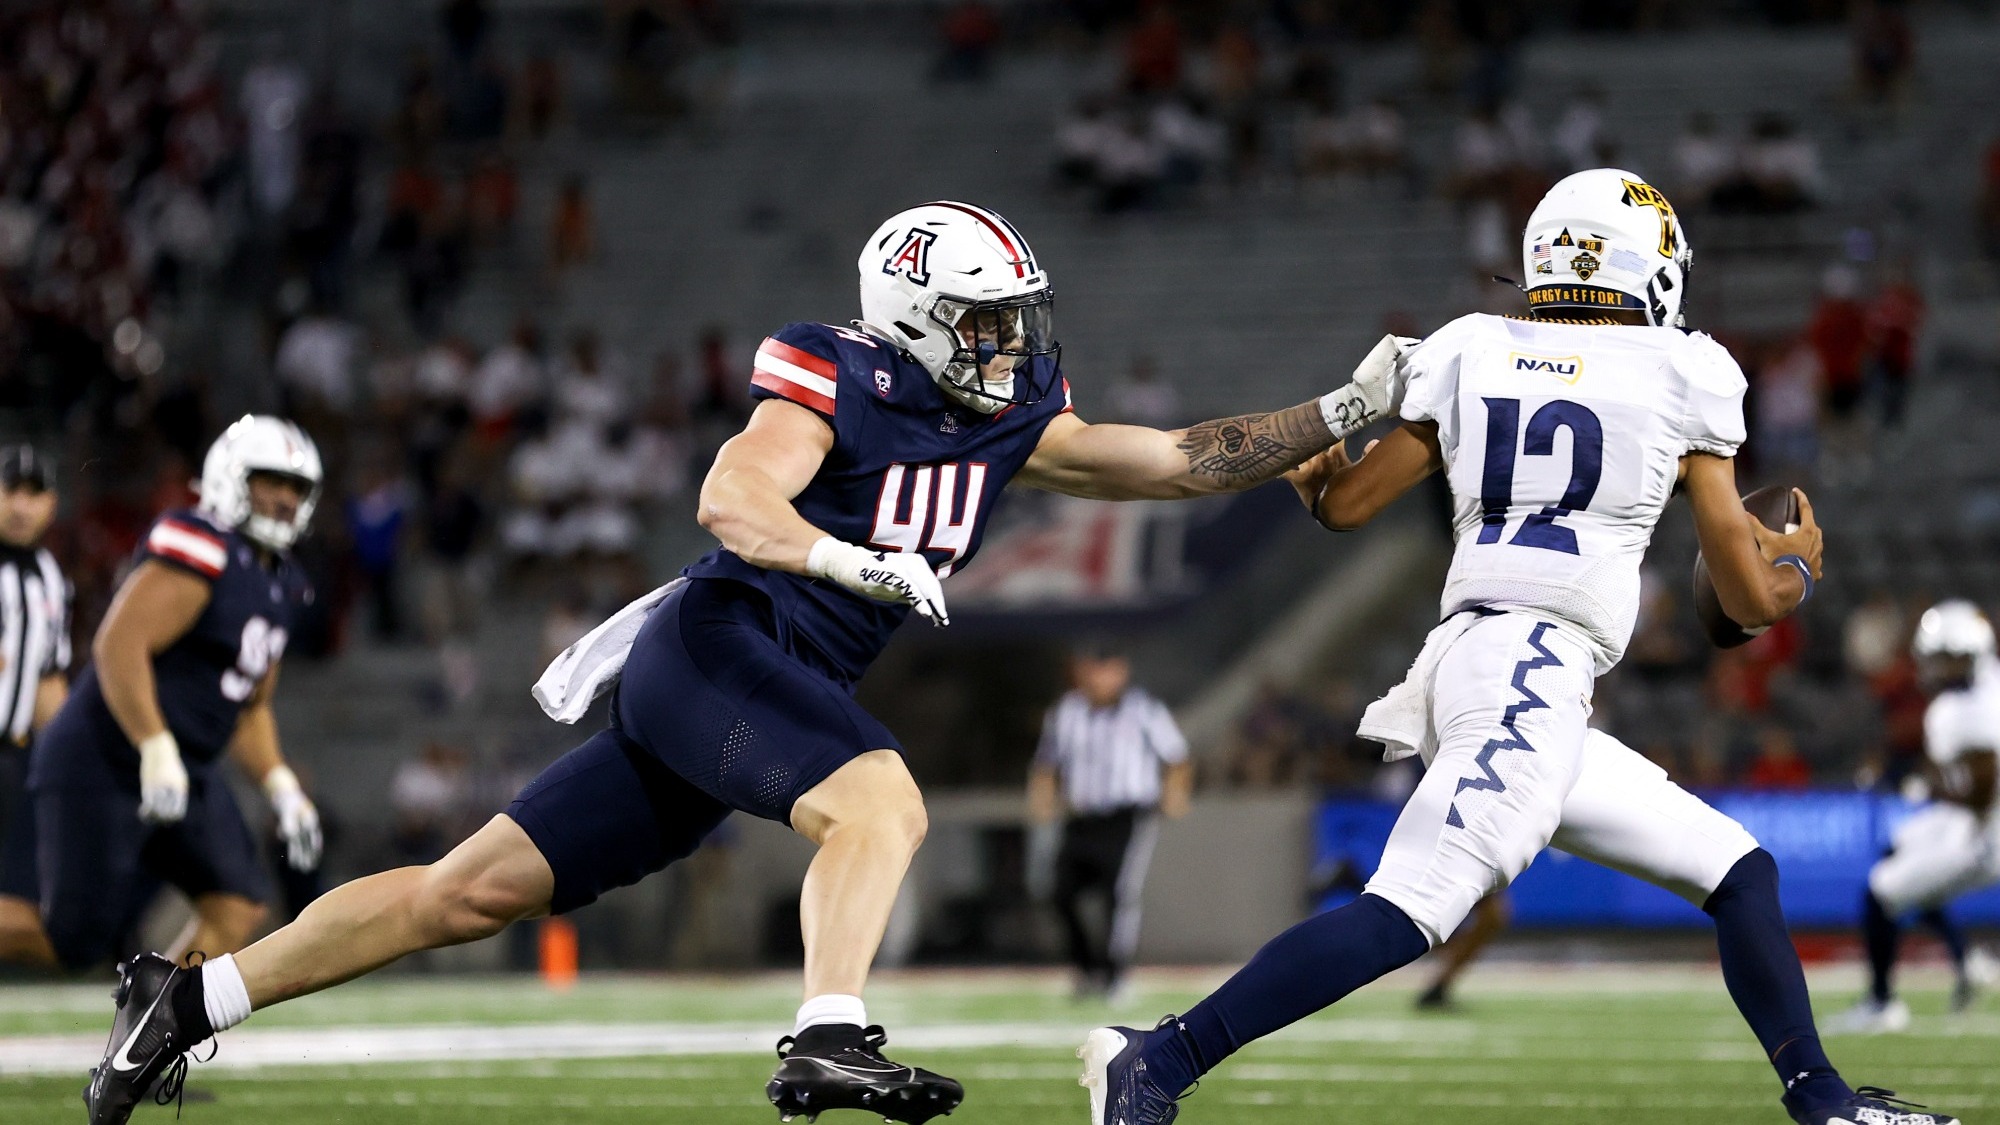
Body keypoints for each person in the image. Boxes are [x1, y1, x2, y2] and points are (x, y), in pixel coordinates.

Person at [85, 200, 1414, 1125]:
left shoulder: (1012, 416)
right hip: (723, 645)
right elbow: (732, 501)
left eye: (1017, 317)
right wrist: (841, 562)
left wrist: (1343, 411)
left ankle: (188, 998)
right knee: (881, 802)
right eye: (989, 319)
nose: (1014, 343)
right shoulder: (835, 374)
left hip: (759, 684)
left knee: (462, 892)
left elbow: (1179, 458)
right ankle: (827, 1030)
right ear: (919, 317)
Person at [1080, 169, 1962, 1125]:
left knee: (1737, 868)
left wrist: (1315, 479)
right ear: (1648, 267)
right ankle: (1158, 1059)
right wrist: (1797, 570)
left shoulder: (1469, 346)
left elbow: (1347, 505)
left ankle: (1822, 1098)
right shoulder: (1685, 368)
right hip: (1533, 666)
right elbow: (1742, 600)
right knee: (1411, 906)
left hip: (1499, 658)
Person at [5, 418, 326, 992]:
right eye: (269, 482)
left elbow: (250, 703)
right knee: (72, 940)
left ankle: (144, 1043)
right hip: (107, 756)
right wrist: (153, 743)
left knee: (238, 903)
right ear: (232, 479)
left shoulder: (285, 585)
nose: (282, 499)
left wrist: (280, 785)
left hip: (186, 766)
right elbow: (120, 644)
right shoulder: (201, 543)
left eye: (294, 488)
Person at [1827, 600, 2000, 1032]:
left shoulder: (1976, 710)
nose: (1933, 666)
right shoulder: (1978, 689)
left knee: (1881, 890)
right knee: (1897, 850)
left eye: (1944, 657)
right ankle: (1965, 961)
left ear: (1968, 655)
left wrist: (1921, 784)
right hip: (1971, 820)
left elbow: (1979, 792)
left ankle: (1882, 1003)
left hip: (1984, 835)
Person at [1028, 645, 1191, 1000]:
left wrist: (1175, 794)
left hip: (1127, 815)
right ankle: (1087, 970)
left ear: (1120, 671)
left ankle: (1115, 976)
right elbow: (1047, 762)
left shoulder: (1144, 711)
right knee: (1060, 892)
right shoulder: (1067, 712)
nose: (1098, 678)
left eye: (1105, 669)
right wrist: (1042, 798)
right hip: (1081, 816)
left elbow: (1176, 757)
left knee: (1118, 894)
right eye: (1091, 668)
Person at [0, 445, 75, 967]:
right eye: (11, 491)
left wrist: (74, 758)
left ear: (51, 504)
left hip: (15, 758)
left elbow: (50, 680)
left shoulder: (50, 576)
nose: (21, 506)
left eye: (34, 493)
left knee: (32, 906)